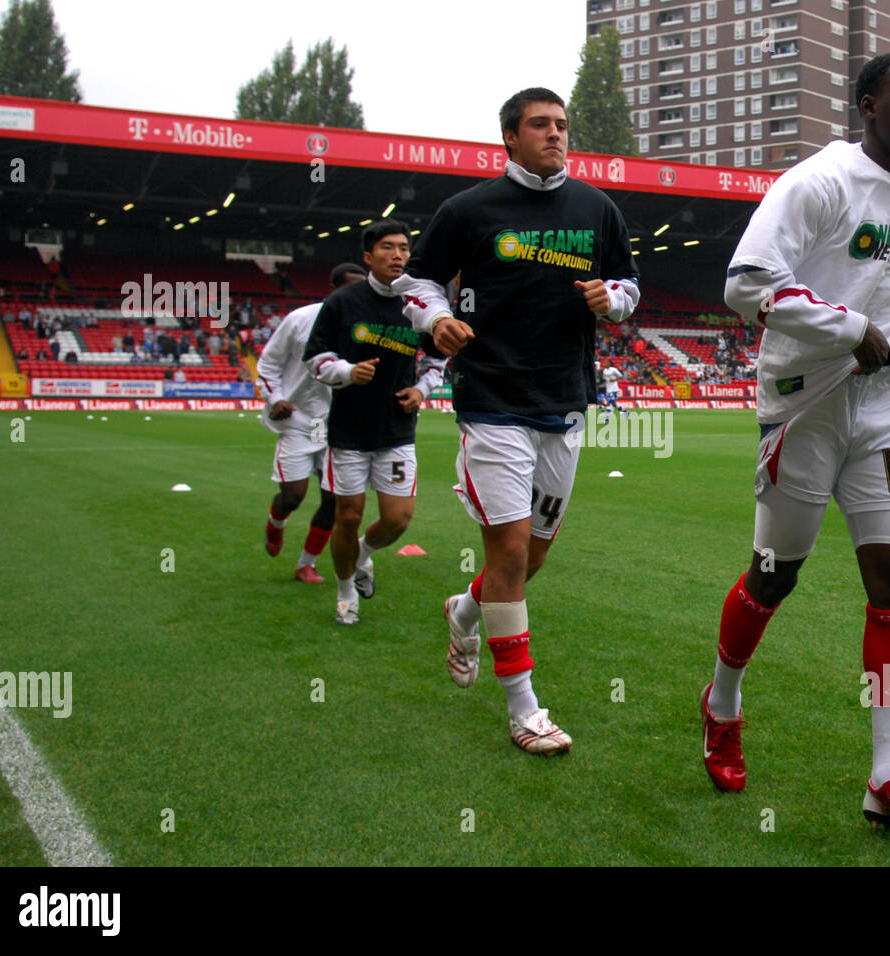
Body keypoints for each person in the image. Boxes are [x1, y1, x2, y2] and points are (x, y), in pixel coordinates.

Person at [695, 52, 890, 831]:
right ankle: (722, 702)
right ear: (866, 104)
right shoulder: (817, 182)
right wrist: (851, 328)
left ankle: (887, 775)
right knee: (773, 577)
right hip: (803, 405)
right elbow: (746, 282)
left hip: (882, 407)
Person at [394, 87, 640, 755]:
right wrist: (434, 318)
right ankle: (525, 708)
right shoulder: (469, 209)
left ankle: (464, 608)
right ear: (509, 136)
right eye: (540, 125)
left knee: (531, 558)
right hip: (490, 396)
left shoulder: (597, 209)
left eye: (562, 125)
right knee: (505, 550)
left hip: (563, 400)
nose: (555, 135)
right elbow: (416, 282)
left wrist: (611, 296)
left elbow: (630, 284)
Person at [303, 221, 446, 625]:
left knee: (399, 519)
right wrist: (348, 372)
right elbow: (315, 358)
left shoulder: (419, 305)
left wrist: (422, 389)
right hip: (348, 429)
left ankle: (363, 553)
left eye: (403, 248)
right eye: (388, 248)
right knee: (346, 515)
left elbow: (438, 359)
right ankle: (346, 591)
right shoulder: (343, 302)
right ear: (369, 256)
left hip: (397, 428)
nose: (398, 255)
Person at [257, 262, 367, 583]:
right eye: (348, 287)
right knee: (293, 495)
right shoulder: (300, 319)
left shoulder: (364, 326)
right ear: (333, 290)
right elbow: (268, 362)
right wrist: (275, 398)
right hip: (296, 418)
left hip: (334, 423)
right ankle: (276, 522)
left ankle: (307, 563)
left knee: (334, 499)